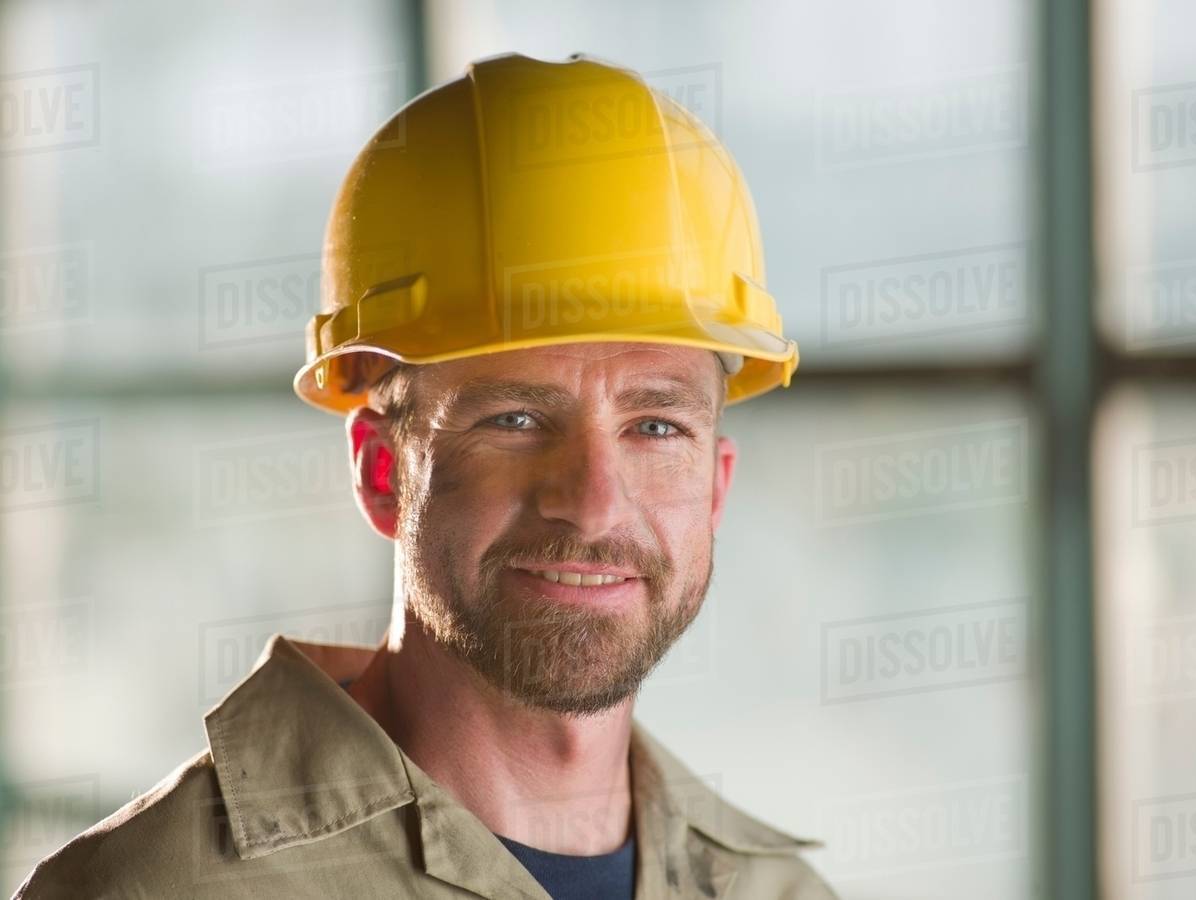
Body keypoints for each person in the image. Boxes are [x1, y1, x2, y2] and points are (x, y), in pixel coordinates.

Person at [15, 53, 837, 899]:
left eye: (656, 426)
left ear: (715, 488)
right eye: (514, 420)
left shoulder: (778, 891)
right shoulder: (155, 891)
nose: (593, 505)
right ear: (381, 470)